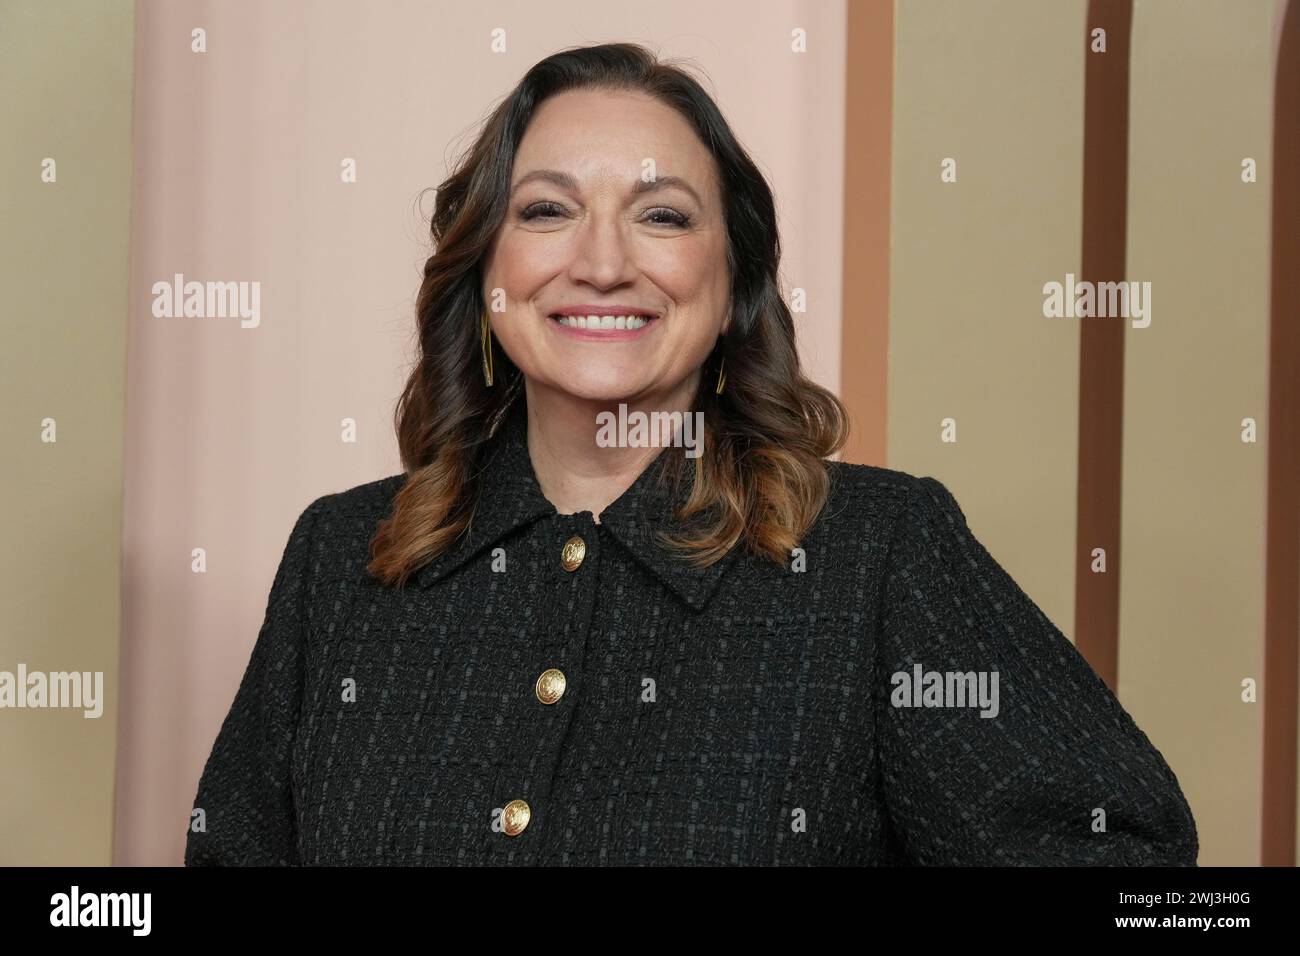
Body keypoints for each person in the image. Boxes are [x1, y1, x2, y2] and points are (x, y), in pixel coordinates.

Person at [185, 42, 1197, 866]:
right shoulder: (342, 557)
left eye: (661, 215)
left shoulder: (877, 555)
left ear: (733, 283)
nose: (602, 261)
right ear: (485, 267)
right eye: (546, 210)